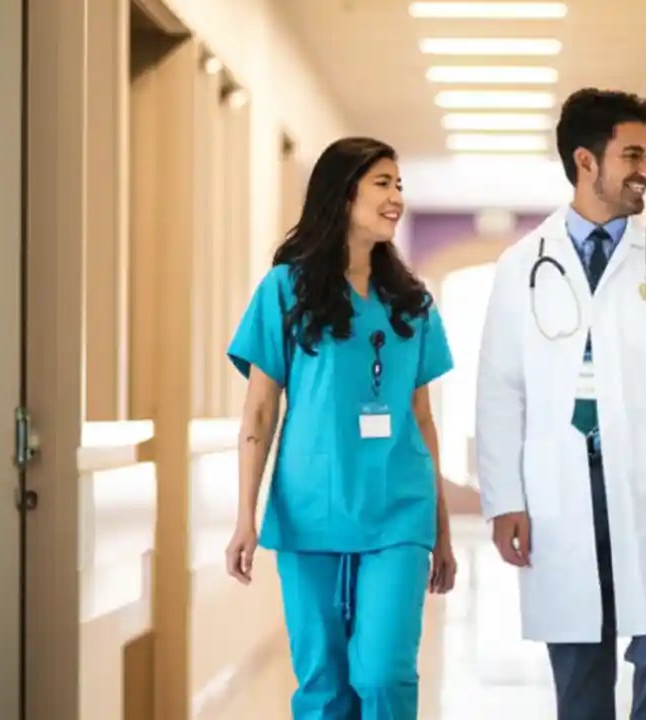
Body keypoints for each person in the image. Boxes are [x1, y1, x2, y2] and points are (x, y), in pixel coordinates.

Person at [476, 88, 646, 720]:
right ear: (586, 161)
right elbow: (500, 390)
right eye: (632, 154)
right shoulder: (521, 265)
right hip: (562, 490)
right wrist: (504, 499)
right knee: (581, 678)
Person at [224, 136, 457, 719]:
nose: (396, 196)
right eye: (383, 182)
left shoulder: (411, 303)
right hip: (308, 510)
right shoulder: (285, 291)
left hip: (399, 509)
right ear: (341, 191)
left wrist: (443, 529)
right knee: (324, 684)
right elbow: (258, 413)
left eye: (399, 184)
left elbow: (422, 419)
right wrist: (244, 518)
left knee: (383, 674)